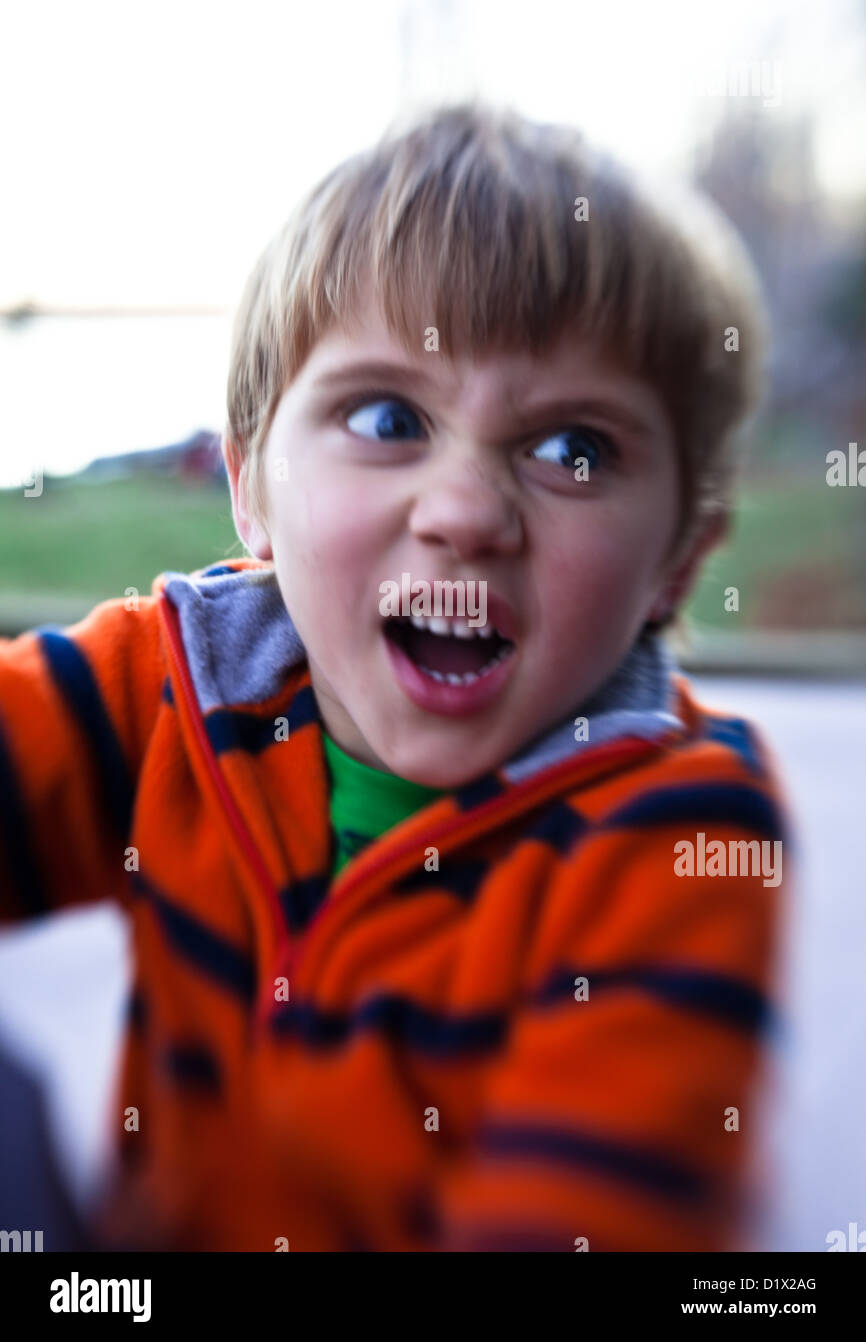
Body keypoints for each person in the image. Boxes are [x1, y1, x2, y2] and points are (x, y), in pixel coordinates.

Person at [0, 99, 792, 1251]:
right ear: (250, 488)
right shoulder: (178, 681)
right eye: (385, 417)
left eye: (572, 449)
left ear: (677, 560)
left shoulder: (674, 836)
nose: (466, 513)